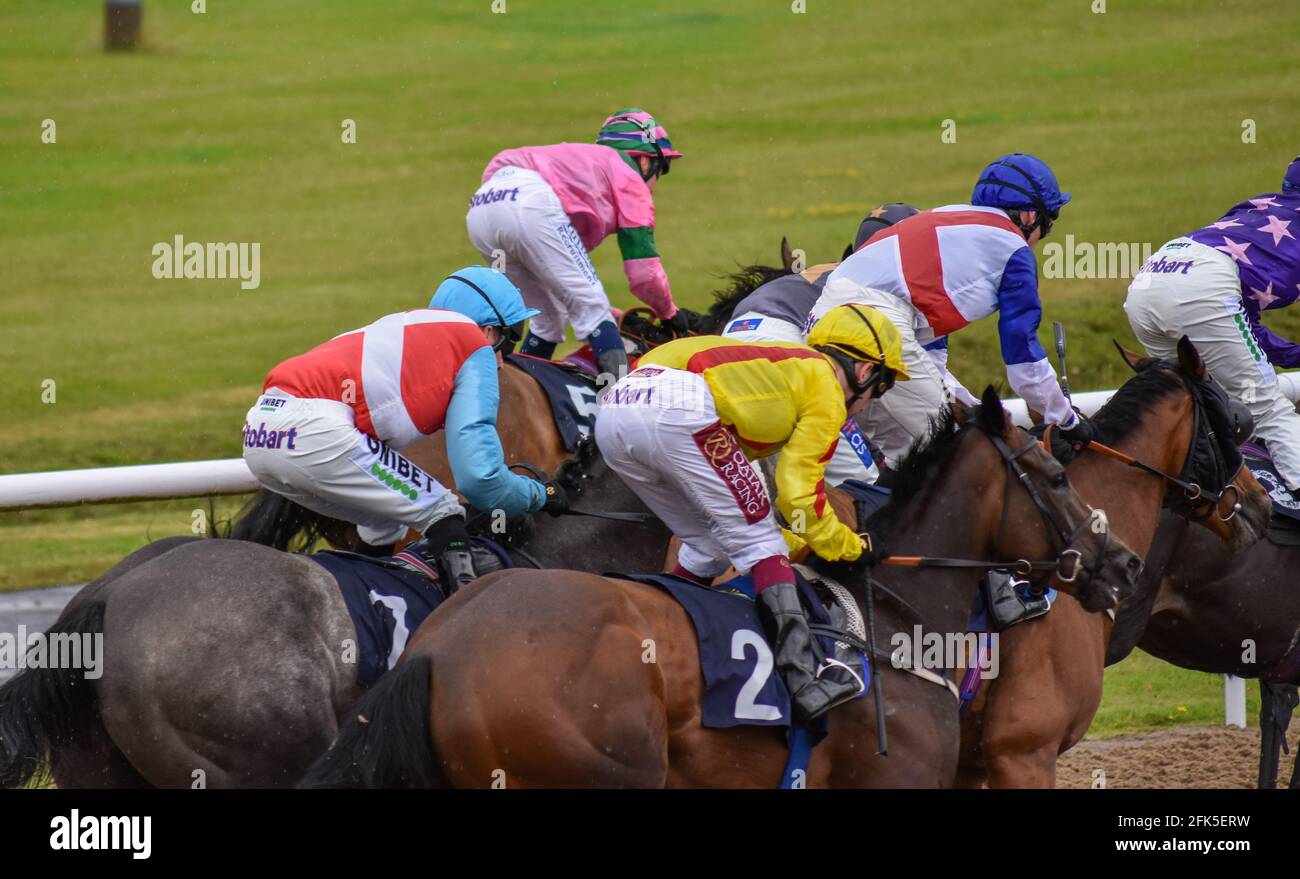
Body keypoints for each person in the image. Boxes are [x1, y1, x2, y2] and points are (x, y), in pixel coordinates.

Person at [594, 304, 909, 723]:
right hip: (678, 409)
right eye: (881, 389)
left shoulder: (782, 366)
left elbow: (775, 509)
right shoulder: (826, 390)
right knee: (759, 538)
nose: (869, 405)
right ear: (866, 372)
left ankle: (660, 638)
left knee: (708, 545)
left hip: (615, 410)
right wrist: (850, 547)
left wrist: (797, 543)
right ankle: (805, 683)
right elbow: (798, 499)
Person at [242, 266, 566, 594]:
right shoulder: (472, 345)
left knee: (383, 523)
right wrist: (542, 494)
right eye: (510, 339)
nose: (501, 362)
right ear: (486, 331)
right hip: (315, 431)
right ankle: (466, 617)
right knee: (443, 512)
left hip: (259, 434)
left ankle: (368, 603)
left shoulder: (400, 331)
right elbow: (480, 479)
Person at [810, 153, 1091, 471]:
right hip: (873, 326)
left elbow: (931, 368)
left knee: (911, 457)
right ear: (1029, 216)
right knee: (957, 457)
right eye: (1048, 224)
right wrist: (1066, 419)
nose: (1042, 237)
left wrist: (981, 411)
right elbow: (1024, 362)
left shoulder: (949, 224)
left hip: (825, 321)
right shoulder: (1013, 249)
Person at [466, 109, 688, 380]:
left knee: (547, 318)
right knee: (592, 307)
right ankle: (619, 399)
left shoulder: (582, 169)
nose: (654, 185)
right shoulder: (628, 176)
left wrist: (613, 315)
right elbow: (644, 273)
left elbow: (561, 279)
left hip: (482, 209)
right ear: (644, 161)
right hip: (529, 203)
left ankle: (511, 394)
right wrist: (668, 312)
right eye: (661, 170)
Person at [1125, 156, 1300, 498]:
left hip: (1150, 279)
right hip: (1203, 286)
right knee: (1268, 407)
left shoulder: (1259, 206)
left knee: (1197, 403)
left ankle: (1183, 490)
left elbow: (1243, 324)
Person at [722, 203, 919, 484]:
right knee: (862, 485)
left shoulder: (835, 271)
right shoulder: (882, 287)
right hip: (784, 345)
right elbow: (876, 391)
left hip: (732, 338)